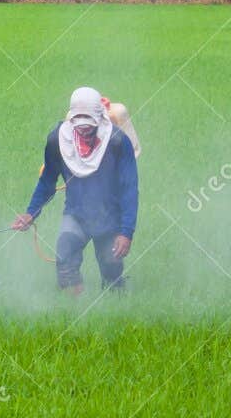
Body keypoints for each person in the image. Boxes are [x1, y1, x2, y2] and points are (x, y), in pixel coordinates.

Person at [10, 87, 139, 294]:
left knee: (111, 269)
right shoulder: (57, 140)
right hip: (76, 214)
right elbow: (47, 180)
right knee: (65, 261)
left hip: (110, 217)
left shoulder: (117, 142)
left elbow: (129, 189)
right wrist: (30, 212)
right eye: (79, 126)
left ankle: (114, 307)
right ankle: (73, 313)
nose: (84, 131)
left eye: (89, 126)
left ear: (99, 117)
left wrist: (126, 232)